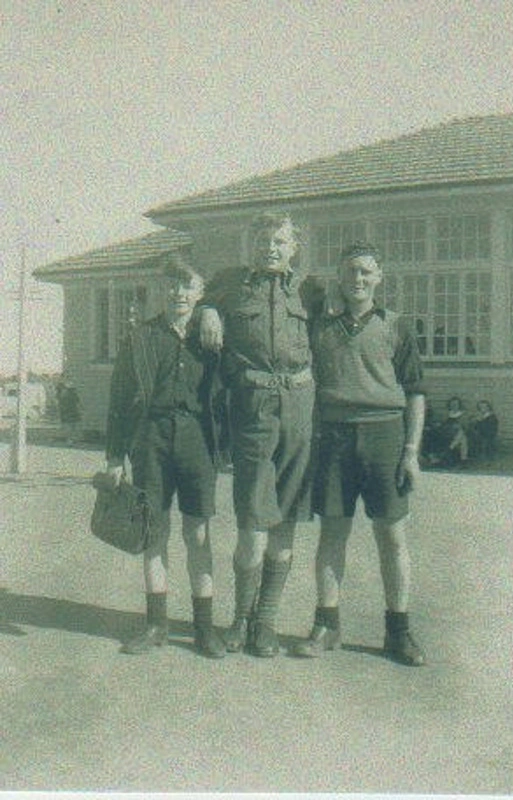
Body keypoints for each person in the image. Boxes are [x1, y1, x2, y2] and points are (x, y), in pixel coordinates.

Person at [292, 241, 426, 666]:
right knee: (333, 533)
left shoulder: (397, 325)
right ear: (339, 276)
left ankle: (398, 631)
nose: (358, 279)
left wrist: (411, 451)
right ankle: (327, 624)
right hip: (334, 436)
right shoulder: (320, 325)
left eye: (367, 272)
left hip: (385, 435)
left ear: (379, 277)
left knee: (391, 534)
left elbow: (416, 392)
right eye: (350, 271)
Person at [199, 211, 318, 658]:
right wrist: (208, 310)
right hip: (253, 412)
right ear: (252, 245)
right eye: (263, 239)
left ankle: (265, 623)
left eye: (280, 240)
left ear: (294, 248)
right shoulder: (229, 285)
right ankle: (240, 619)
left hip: (301, 409)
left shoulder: (311, 290)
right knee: (252, 520)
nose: (270, 247)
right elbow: (196, 298)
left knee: (285, 519)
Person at [105, 253, 226, 658]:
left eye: (187, 285)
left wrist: (211, 313)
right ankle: (156, 624)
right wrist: (114, 456)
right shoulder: (140, 337)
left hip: (197, 439)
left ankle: (204, 629)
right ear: (162, 290)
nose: (178, 292)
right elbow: (120, 399)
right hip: (150, 440)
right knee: (154, 531)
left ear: (200, 292)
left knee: (198, 533)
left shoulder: (210, 336)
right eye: (171, 285)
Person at [437, 396, 469, 467]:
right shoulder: (446, 414)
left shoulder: (463, 414)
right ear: (450, 405)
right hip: (447, 433)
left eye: (456, 404)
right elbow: (442, 425)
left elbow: (465, 426)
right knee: (463, 438)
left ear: (459, 405)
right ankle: (463, 459)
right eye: (452, 404)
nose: (454, 406)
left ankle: (450, 449)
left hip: (457, 433)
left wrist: (458, 426)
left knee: (462, 436)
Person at [56, 379, 82, 443]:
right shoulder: (73, 394)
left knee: (69, 425)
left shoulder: (62, 395)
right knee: (72, 425)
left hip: (67, 411)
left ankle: (70, 438)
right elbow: (78, 403)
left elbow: (60, 404)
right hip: (72, 411)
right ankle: (71, 438)